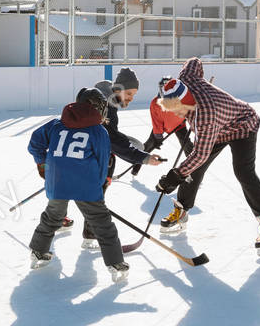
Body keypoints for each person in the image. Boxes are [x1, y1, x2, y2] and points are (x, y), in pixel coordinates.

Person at [154, 57, 260, 254]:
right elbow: (194, 62)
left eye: (178, 110)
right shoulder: (186, 79)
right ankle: (181, 209)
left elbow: (200, 155)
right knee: (195, 170)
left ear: (186, 102)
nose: (178, 115)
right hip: (218, 127)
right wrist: (200, 83)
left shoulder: (205, 116)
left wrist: (174, 176)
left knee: (243, 172)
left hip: (242, 124)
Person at [26, 87, 130, 282]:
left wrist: (43, 164)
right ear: (98, 107)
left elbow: (35, 143)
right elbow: (102, 161)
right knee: (102, 223)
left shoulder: (56, 124)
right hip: (86, 186)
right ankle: (115, 263)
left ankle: (38, 251)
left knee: (52, 217)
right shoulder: (99, 131)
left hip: (56, 182)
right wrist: (97, 186)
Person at [80, 67, 161, 246]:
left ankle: (66, 220)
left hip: (80, 149)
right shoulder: (107, 104)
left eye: (134, 94)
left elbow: (111, 134)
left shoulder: (106, 96)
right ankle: (89, 230)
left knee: (70, 190)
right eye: (129, 93)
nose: (131, 99)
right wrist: (142, 157)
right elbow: (112, 139)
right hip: (87, 152)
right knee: (95, 191)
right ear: (119, 89)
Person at [131, 76, 194, 176]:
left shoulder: (179, 98)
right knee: (149, 145)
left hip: (179, 125)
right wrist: (158, 135)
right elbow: (156, 121)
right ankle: (136, 165)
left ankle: (194, 168)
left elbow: (189, 110)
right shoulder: (155, 103)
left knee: (187, 145)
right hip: (162, 127)